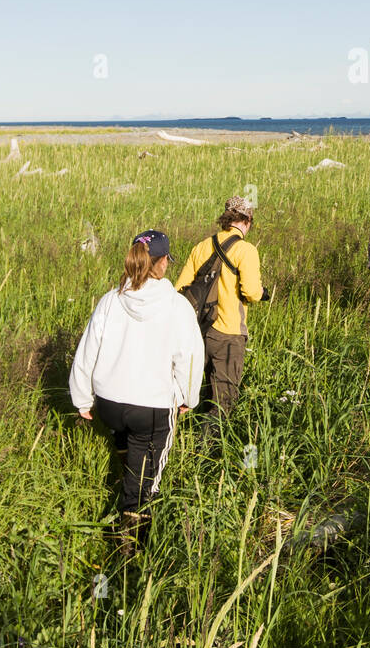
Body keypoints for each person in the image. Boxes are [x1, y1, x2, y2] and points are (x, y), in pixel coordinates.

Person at [69, 230, 204, 552]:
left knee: (129, 442)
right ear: (162, 263)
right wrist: (188, 398)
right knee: (146, 478)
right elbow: (190, 356)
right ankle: (132, 543)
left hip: (110, 404)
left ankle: (126, 473)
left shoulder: (110, 300)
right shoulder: (176, 305)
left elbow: (87, 351)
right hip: (152, 406)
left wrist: (82, 399)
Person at [175, 195, 265, 427]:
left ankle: (173, 436)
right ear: (247, 220)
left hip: (198, 331)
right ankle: (208, 451)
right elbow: (252, 292)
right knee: (222, 400)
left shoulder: (201, 247)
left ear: (226, 218)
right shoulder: (246, 250)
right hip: (229, 334)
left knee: (188, 393)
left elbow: (179, 290)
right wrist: (263, 292)